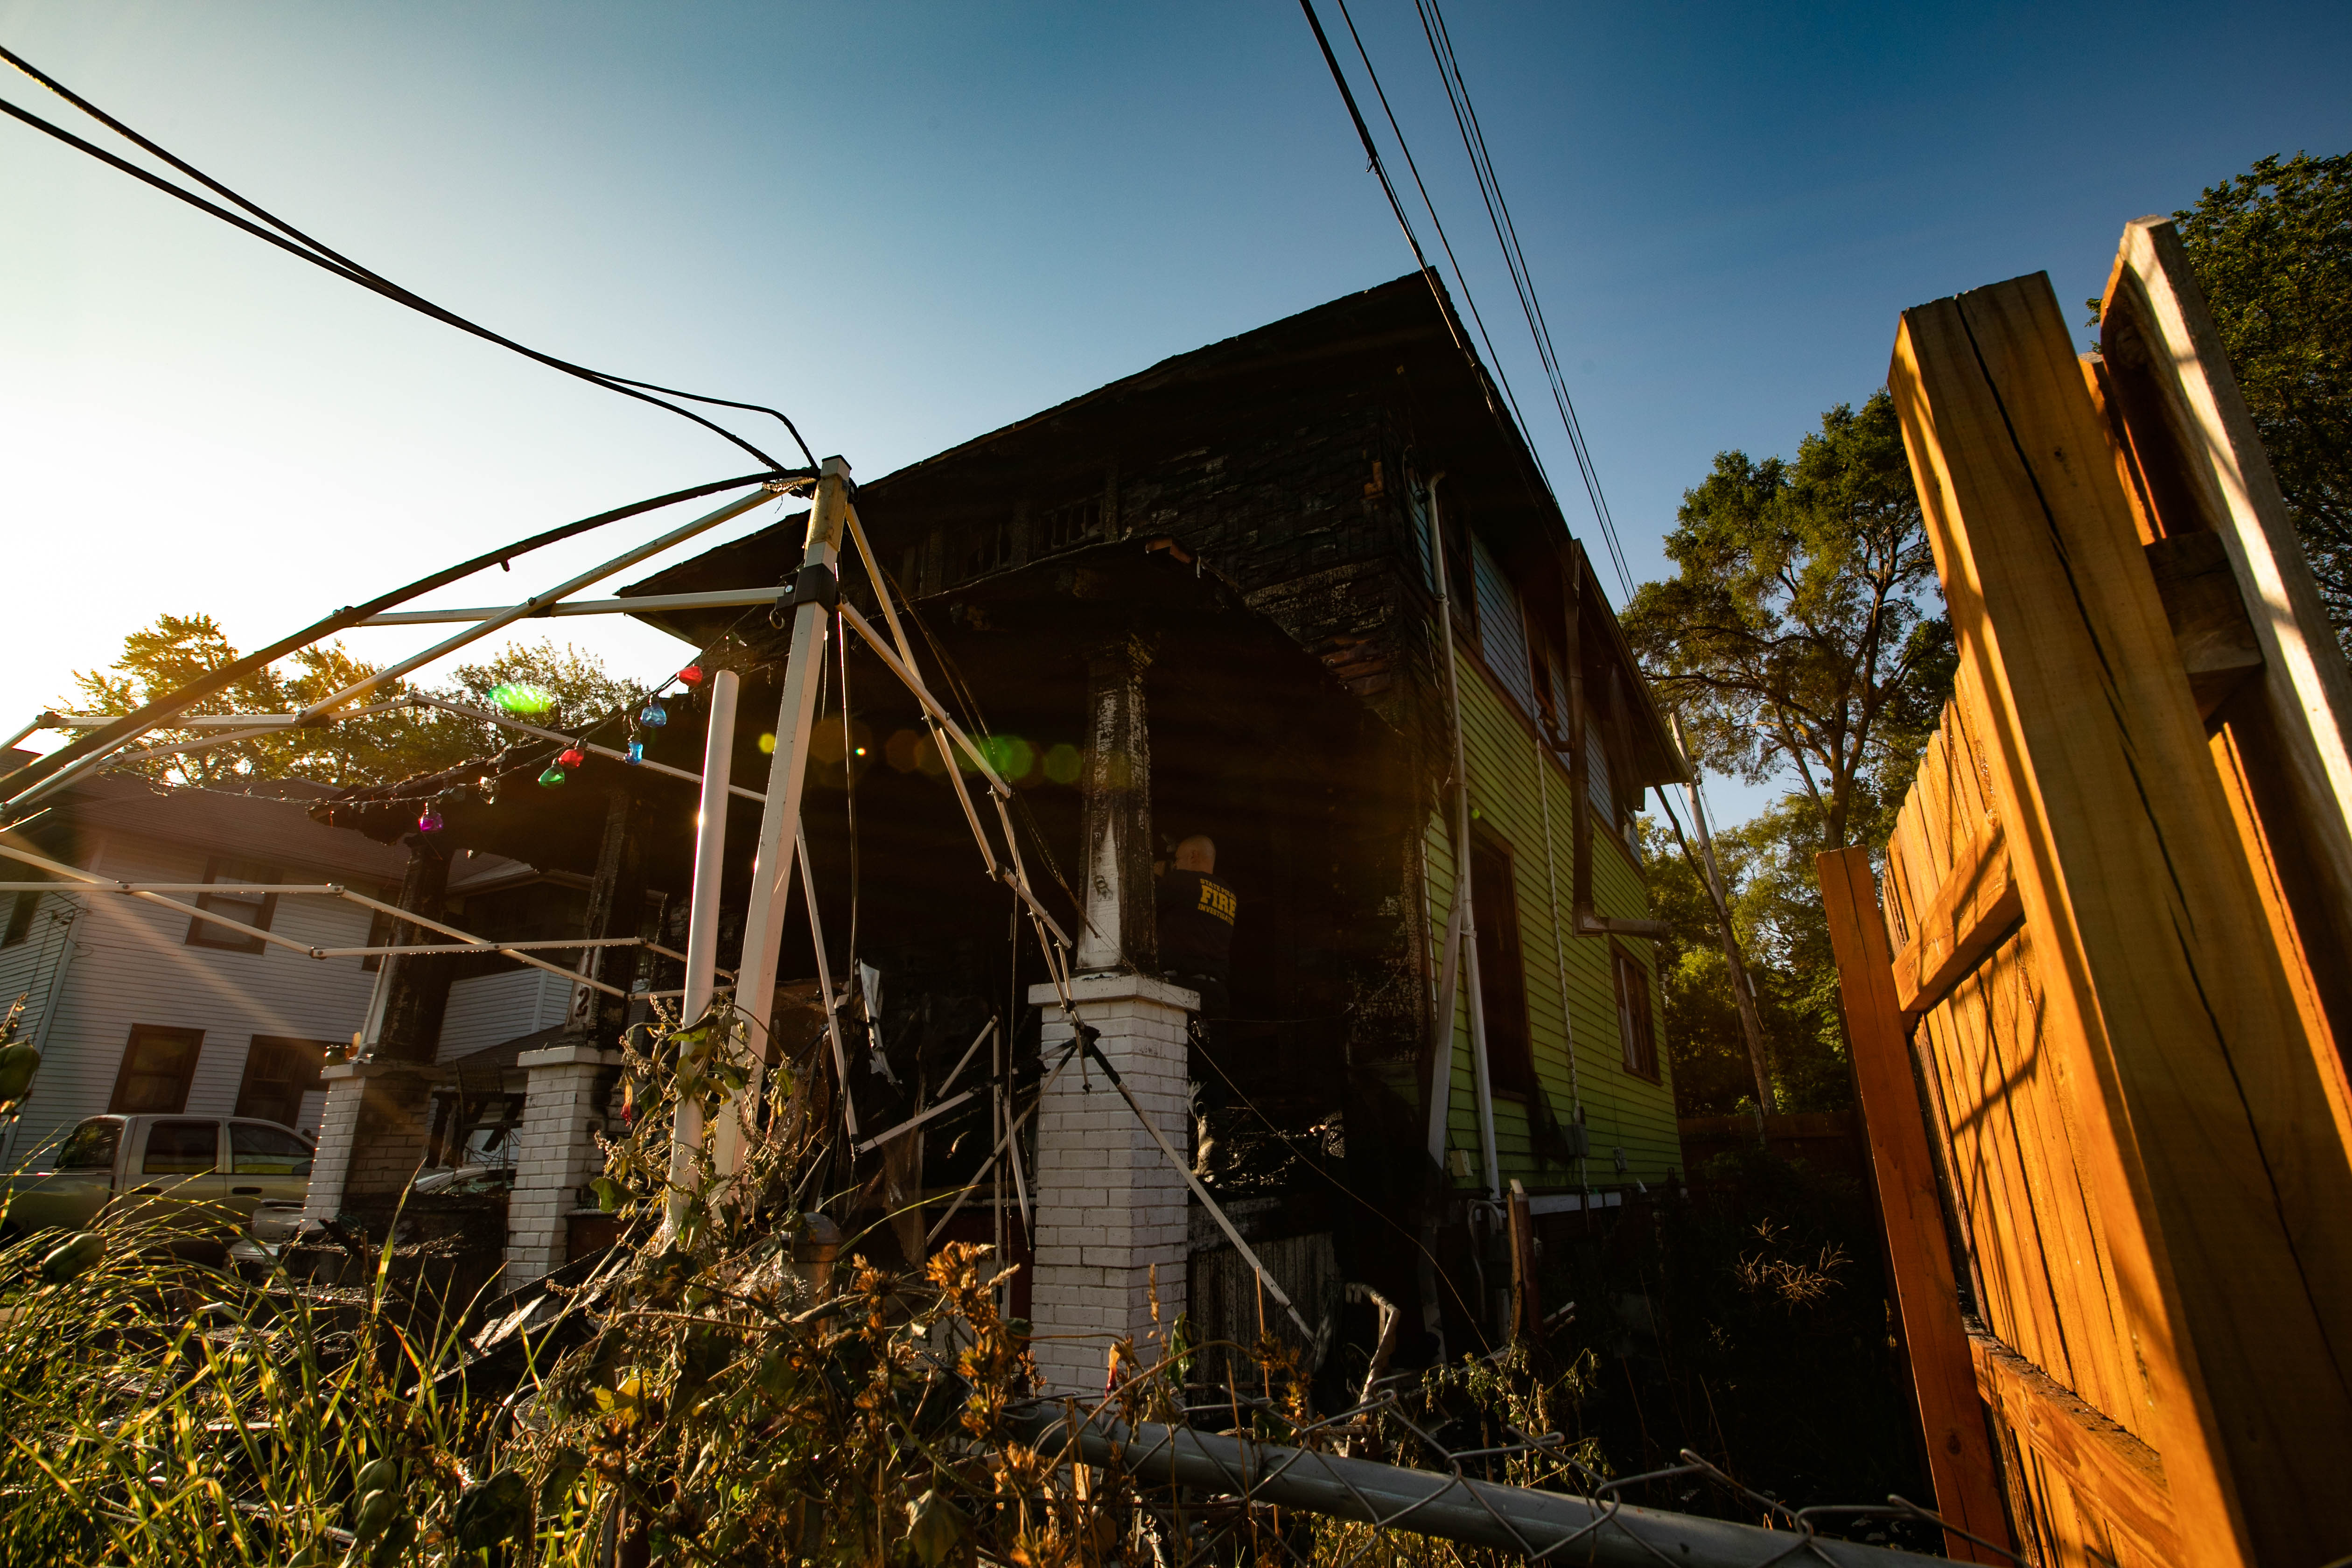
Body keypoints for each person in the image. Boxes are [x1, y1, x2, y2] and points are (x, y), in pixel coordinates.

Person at [1156, 834, 1237, 1020]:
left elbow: (1143, 910)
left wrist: (1157, 877)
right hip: (1216, 991)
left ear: (1193, 856)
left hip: (1183, 988)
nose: (1175, 865)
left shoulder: (1178, 880)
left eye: (1177, 859)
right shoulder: (1230, 894)